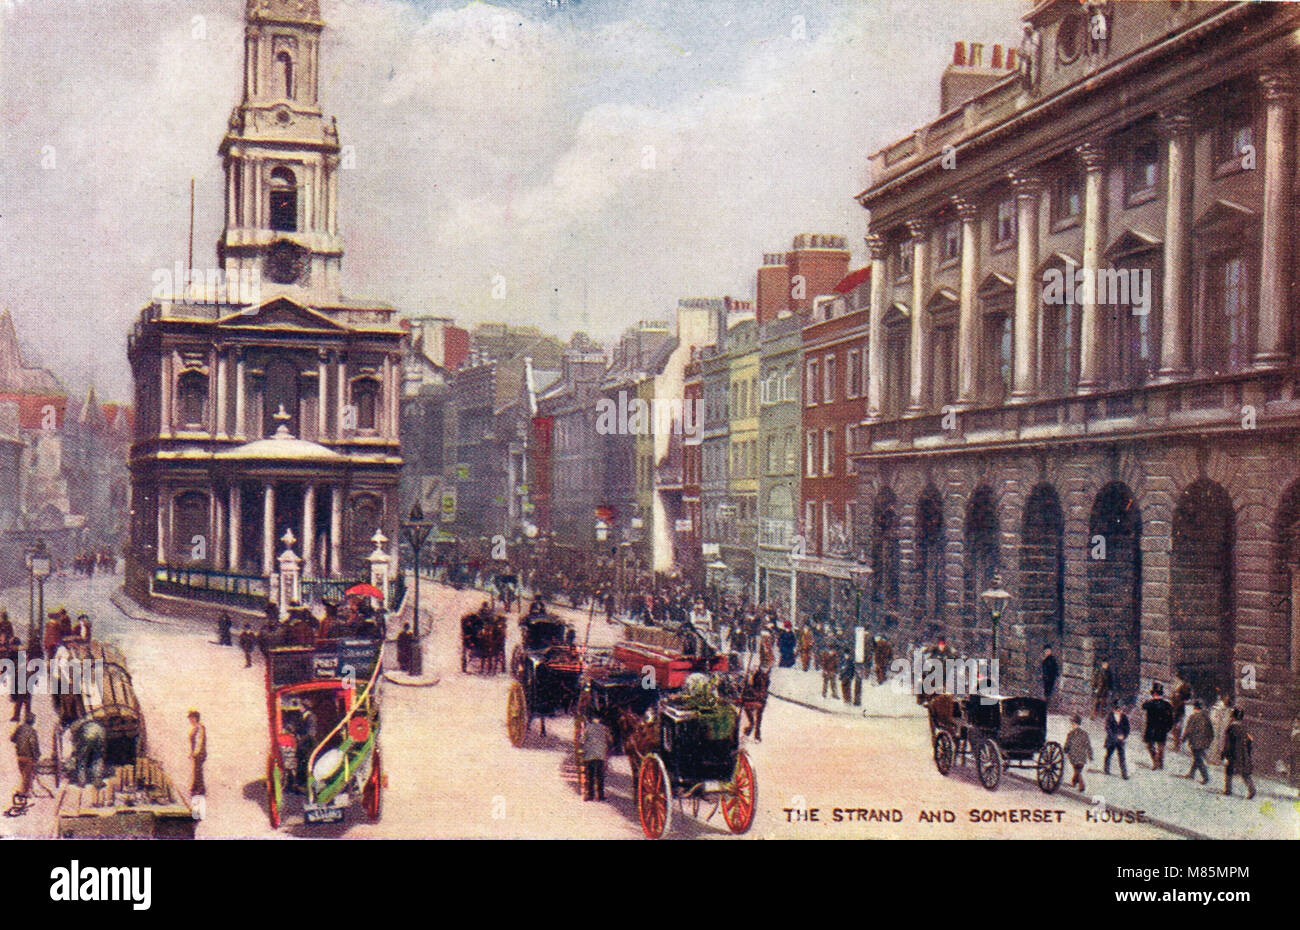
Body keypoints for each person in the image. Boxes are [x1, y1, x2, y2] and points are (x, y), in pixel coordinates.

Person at [1221, 708, 1255, 799]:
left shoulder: (1231, 728)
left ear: (1233, 717)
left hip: (1233, 753)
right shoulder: (1244, 728)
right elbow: (1250, 741)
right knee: (1245, 773)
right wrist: (1247, 753)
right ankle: (1252, 790)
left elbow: (1228, 743)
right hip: (1243, 753)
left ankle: (1228, 790)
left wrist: (1224, 754)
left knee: (1229, 771)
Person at [1142, 683, 1174, 771]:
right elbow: (1171, 719)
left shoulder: (1150, 703)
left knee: (1153, 747)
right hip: (1160, 729)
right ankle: (1159, 763)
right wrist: (1168, 728)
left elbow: (1143, 706)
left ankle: (1156, 762)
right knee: (1159, 747)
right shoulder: (1167, 705)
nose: (1155, 695)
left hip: (1153, 729)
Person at [1181, 699, 1213, 785]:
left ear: (1195, 707)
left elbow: (1189, 730)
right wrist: (1209, 741)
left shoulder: (1193, 717)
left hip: (1195, 741)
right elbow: (1211, 731)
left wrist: (1183, 738)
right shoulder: (1206, 717)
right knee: (1197, 758)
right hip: (1204, 742)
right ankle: (1191, 774)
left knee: (1198, 759)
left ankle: (1205, 777)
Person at [580, 711, 610, 801]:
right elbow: (608, 740)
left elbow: (582, 740)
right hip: (600, 755)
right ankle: (600, 795)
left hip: (590, 754)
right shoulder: (604, 728)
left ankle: (590, 795)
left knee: (590, 775)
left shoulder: (588, 727)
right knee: (600, 775)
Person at [71, 716, 106, 788]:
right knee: (98, 758)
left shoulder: (73, 726)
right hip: (100, 732)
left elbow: (75, 741)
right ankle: (97, 780)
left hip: (87, 734)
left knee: (81, 759)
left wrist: (76, 751)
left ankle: (81, 781)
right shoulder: (90, 721)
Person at [10, 712, 38, 798]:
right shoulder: (32, 731)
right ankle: (25, 793)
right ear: (32, 721)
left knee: (23, 775)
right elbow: (33, 744)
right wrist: (36, 756)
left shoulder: (19, 728)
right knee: (28, 776)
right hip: (28, 757)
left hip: (19, 756)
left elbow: (12, 739)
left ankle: (24, 791)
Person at [1064, 713, 1092, 792]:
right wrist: (1090, 755)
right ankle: (1074, 782)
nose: (1072, 725)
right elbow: (1088, 745)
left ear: (1075, 724)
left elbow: (1067, 744)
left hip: (1073, 756)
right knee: (1078, 770)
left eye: (1073, 723)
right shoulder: (1085, 733)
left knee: (1077, 771)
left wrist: (1065, 750)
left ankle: (1082, 785)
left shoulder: (1071, 734)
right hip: (1082, 756)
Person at [742, 667, 770, 742]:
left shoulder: (763, 693)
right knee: (753, 720)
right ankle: (751, 731)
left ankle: (756, 733)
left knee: (758, 716)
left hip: (757, 701)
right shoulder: (750, 690)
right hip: (751, 702)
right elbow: (746, 705)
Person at [1103, 702, 1130, 779]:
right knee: (1108, 755)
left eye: (1120, 709)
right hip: (1111, 740)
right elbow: (1108, 728)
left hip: (1121, 740)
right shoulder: (1110, 716)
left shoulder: (1124, 717)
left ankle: (1124, 774)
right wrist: (1115, 736)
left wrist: (1124, 736)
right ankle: (1106, 769)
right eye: (1117, 709)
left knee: (1122, 757)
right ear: (1114, 709)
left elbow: (1127, 728)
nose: (1118, 711)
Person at [1169, 671, 1192, 753]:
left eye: (1176, 676)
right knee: (1174, 727)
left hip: (1179, 709)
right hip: (1174, 708)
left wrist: (1180, 701)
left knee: (1177, 727)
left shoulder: (1185, 686)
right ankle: (1176, 744)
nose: (1175, 678)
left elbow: (1187, 697)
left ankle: (1177, 745)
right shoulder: (1177, 685)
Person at [187, 710, 207, 797]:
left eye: (192, 718)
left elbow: (199, 741)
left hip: (200, 753)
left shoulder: (200, 728)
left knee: (198, 770)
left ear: (196, 718)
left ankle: (200, 789)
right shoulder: (194, 728)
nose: (190, 720)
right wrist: (191, 753)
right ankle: (195, 787)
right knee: (196, 769)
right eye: (190, 719)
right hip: (196, 752)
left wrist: (195, 752)